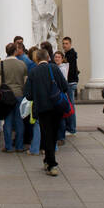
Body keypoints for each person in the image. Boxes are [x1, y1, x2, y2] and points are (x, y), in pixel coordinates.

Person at [24, 47, 69, 176]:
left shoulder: (33, 71)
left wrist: (38, 96)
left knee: (46, 133)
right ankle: (48, 160)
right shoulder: (54, 68)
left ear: (37, 58)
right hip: (56, 107)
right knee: (52, 134)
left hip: (42, 108)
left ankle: (52, 164)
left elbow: (28, 95)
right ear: (48, 58)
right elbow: (65, 86)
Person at [0, 42, 28, 152]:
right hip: (19, 94)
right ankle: (20, 146)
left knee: (7, 121)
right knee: (19, 121)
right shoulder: (22, 64)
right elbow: (25, 82)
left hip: (7, 95)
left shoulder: (1, 64)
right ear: (15, 51)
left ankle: (8, 146)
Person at [61, 37, 80, 135]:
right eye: (63, 43)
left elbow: (71, 70)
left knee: (70, 106)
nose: (64, 45)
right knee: (70, 105)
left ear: (70, 44)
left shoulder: (71, 55)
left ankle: (72, 129)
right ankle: (71, 128)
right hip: (71, 82)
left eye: (66, 43)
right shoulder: (68, 54)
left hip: (70, 82)